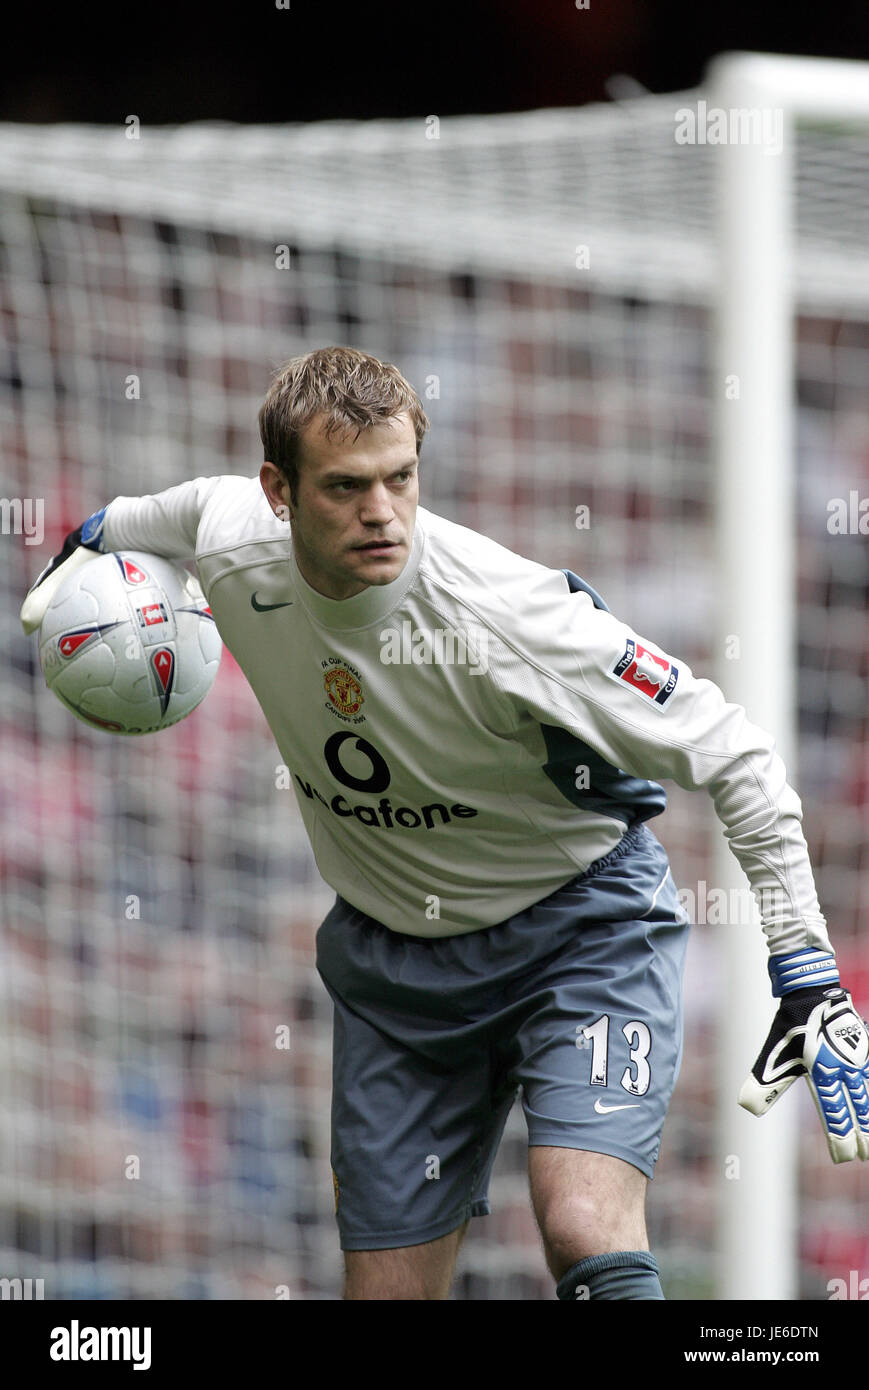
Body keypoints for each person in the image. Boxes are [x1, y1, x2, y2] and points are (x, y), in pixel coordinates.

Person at [21, 345, 869, 1301]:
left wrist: (804, 973)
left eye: (400, 478)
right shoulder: (225, 528)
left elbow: (739, 755)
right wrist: (81, 552)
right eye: (345, 487)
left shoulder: (508, 614)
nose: (381, 511)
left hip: (581, 933)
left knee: (582, 1222)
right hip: (397, 970)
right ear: (278, 492)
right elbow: (135, 518)